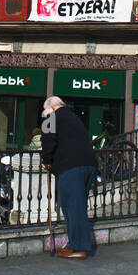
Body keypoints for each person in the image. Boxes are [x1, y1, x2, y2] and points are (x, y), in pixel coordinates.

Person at [40, 96, 98, 259]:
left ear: (51, 107)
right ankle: (75, 244)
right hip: (89, 164)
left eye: (45, 109)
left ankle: (79, 247)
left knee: (72, 207)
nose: (44, 112)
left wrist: (47, 161)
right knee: (78, 206)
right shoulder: (73, 117)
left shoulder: (49, 117)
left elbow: (47, 141)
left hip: (70, 166)